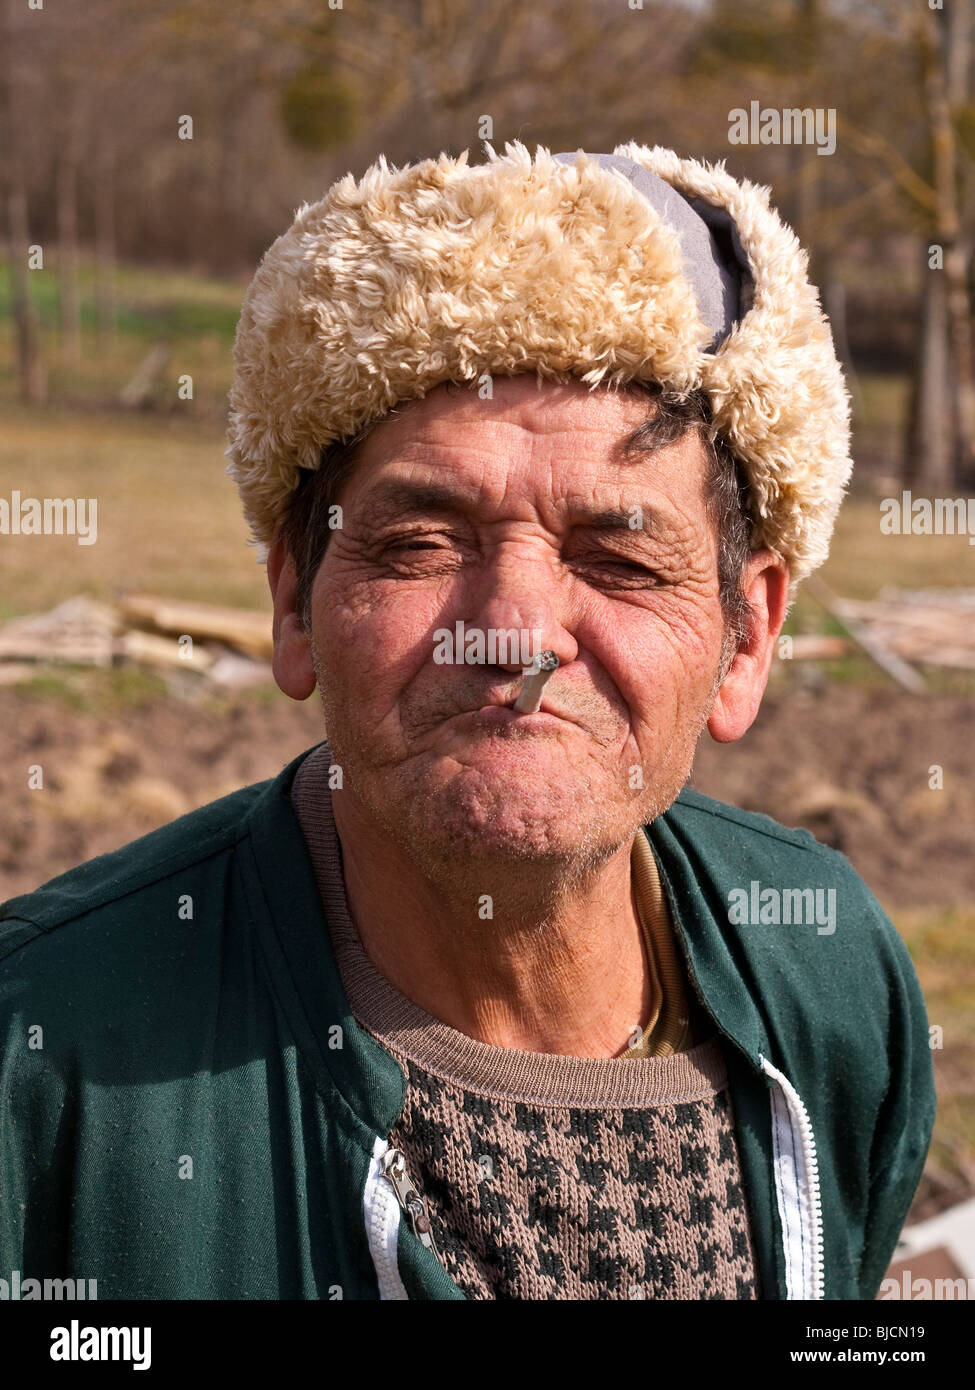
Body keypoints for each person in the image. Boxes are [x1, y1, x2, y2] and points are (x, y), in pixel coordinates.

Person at [0, 141, 935, 1301]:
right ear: (294, 598)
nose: (513, 631)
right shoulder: (39, 1063)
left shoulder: (826, 973)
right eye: (420, 544)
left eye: (617, 556)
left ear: (746, 636)